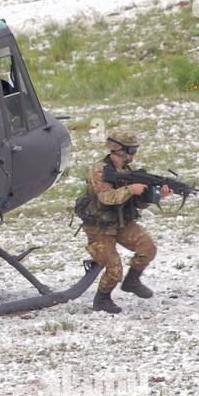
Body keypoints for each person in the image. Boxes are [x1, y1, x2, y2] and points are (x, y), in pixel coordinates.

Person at [79, 131, 170, 314]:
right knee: (114, 269)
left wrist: (154, 196)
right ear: (119, 150)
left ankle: (132, 281)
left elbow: (136, 202)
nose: (134, 154)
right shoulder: (101, 170)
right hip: (99, 227)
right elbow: (106, 197)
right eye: (132, 150)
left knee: (147, 248)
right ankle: (102, 299)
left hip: (121, 223)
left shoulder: (127, 172)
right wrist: (130, 189)